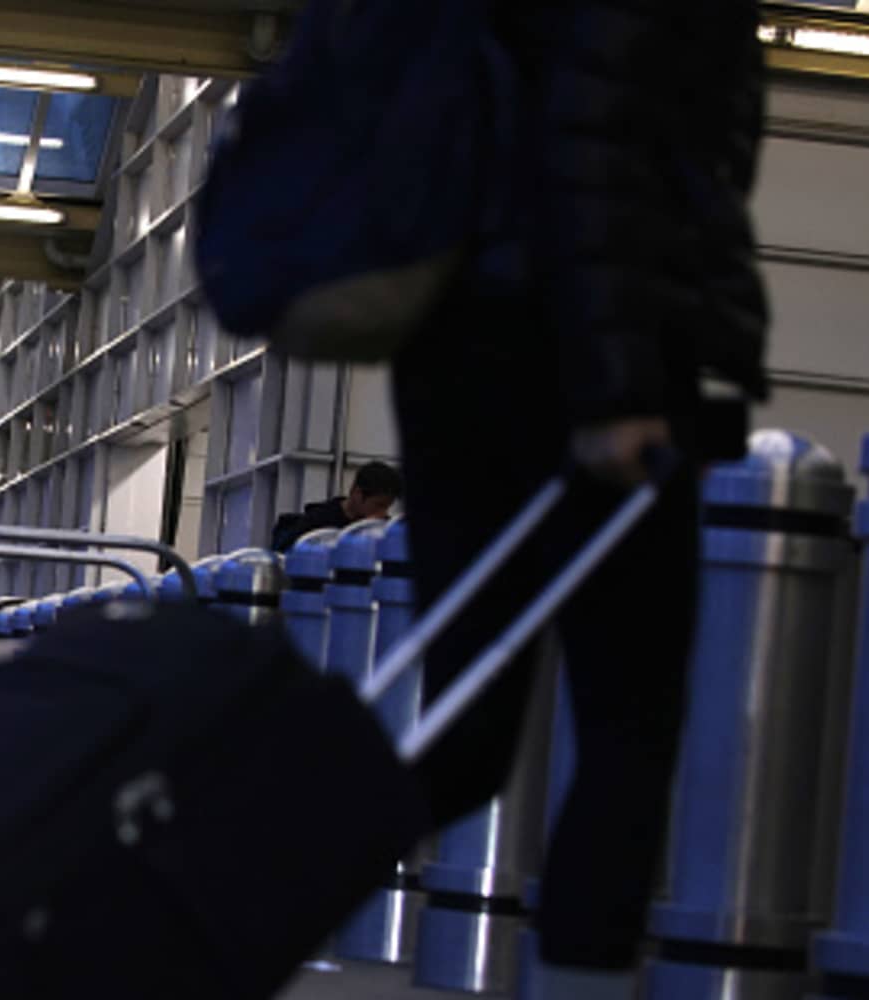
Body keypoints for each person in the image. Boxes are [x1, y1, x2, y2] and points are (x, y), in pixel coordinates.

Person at [386, 6, 767, 998]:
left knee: (464, 726)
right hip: (579, 368)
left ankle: (227, 885)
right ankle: (580, 981)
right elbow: (591, 151)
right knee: (627, 718)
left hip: (451, 352)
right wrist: (616, 391)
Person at [270, 462, 403, 551]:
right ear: (357, 493)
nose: (382, 514)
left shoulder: (385, 530)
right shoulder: (318, 522)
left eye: (387, 507)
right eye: (378, 505)